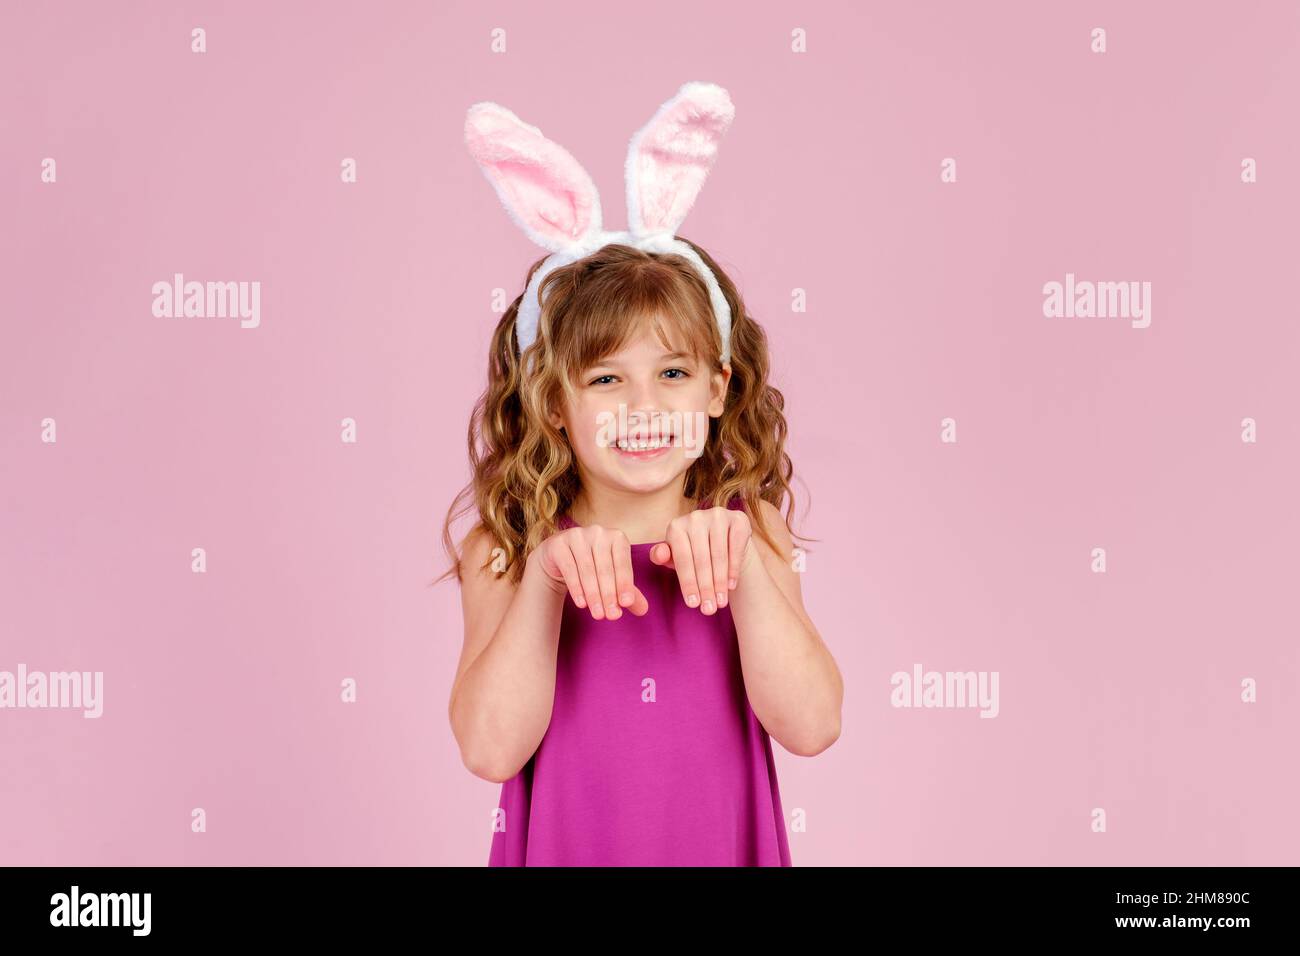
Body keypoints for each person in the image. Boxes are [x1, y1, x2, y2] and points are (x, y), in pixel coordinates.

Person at [440, 82, 842, 866]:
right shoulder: (509, 546)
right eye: (604, 380)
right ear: (555, 403)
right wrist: (546, 583)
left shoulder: (751, 528)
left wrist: (749, 570)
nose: (641, 406)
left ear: (718, 388)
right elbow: (491, 748)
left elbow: (814, 725)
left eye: (672, 373)